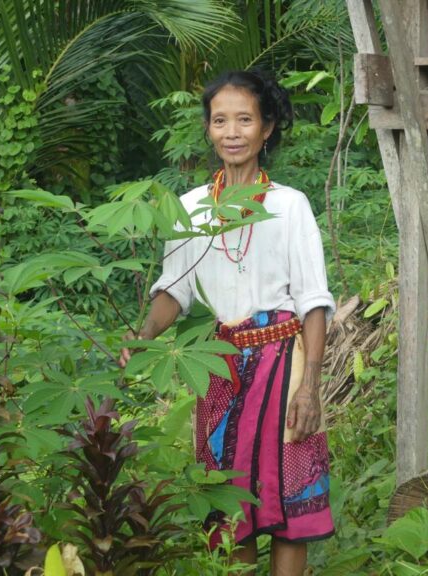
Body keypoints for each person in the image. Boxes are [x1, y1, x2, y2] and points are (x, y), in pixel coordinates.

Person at [120, 69, 336, 576]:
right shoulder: (191, 209)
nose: (232, 132)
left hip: (284, 365)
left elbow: (313, 302)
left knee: (287, 498)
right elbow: (175, 288)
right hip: (218, 366)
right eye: (221, 121)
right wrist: (145, 335)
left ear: (267, 129)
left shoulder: (289, 206)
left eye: (245, 119)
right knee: (226, 500)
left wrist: (311, 386)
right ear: (209, 130)